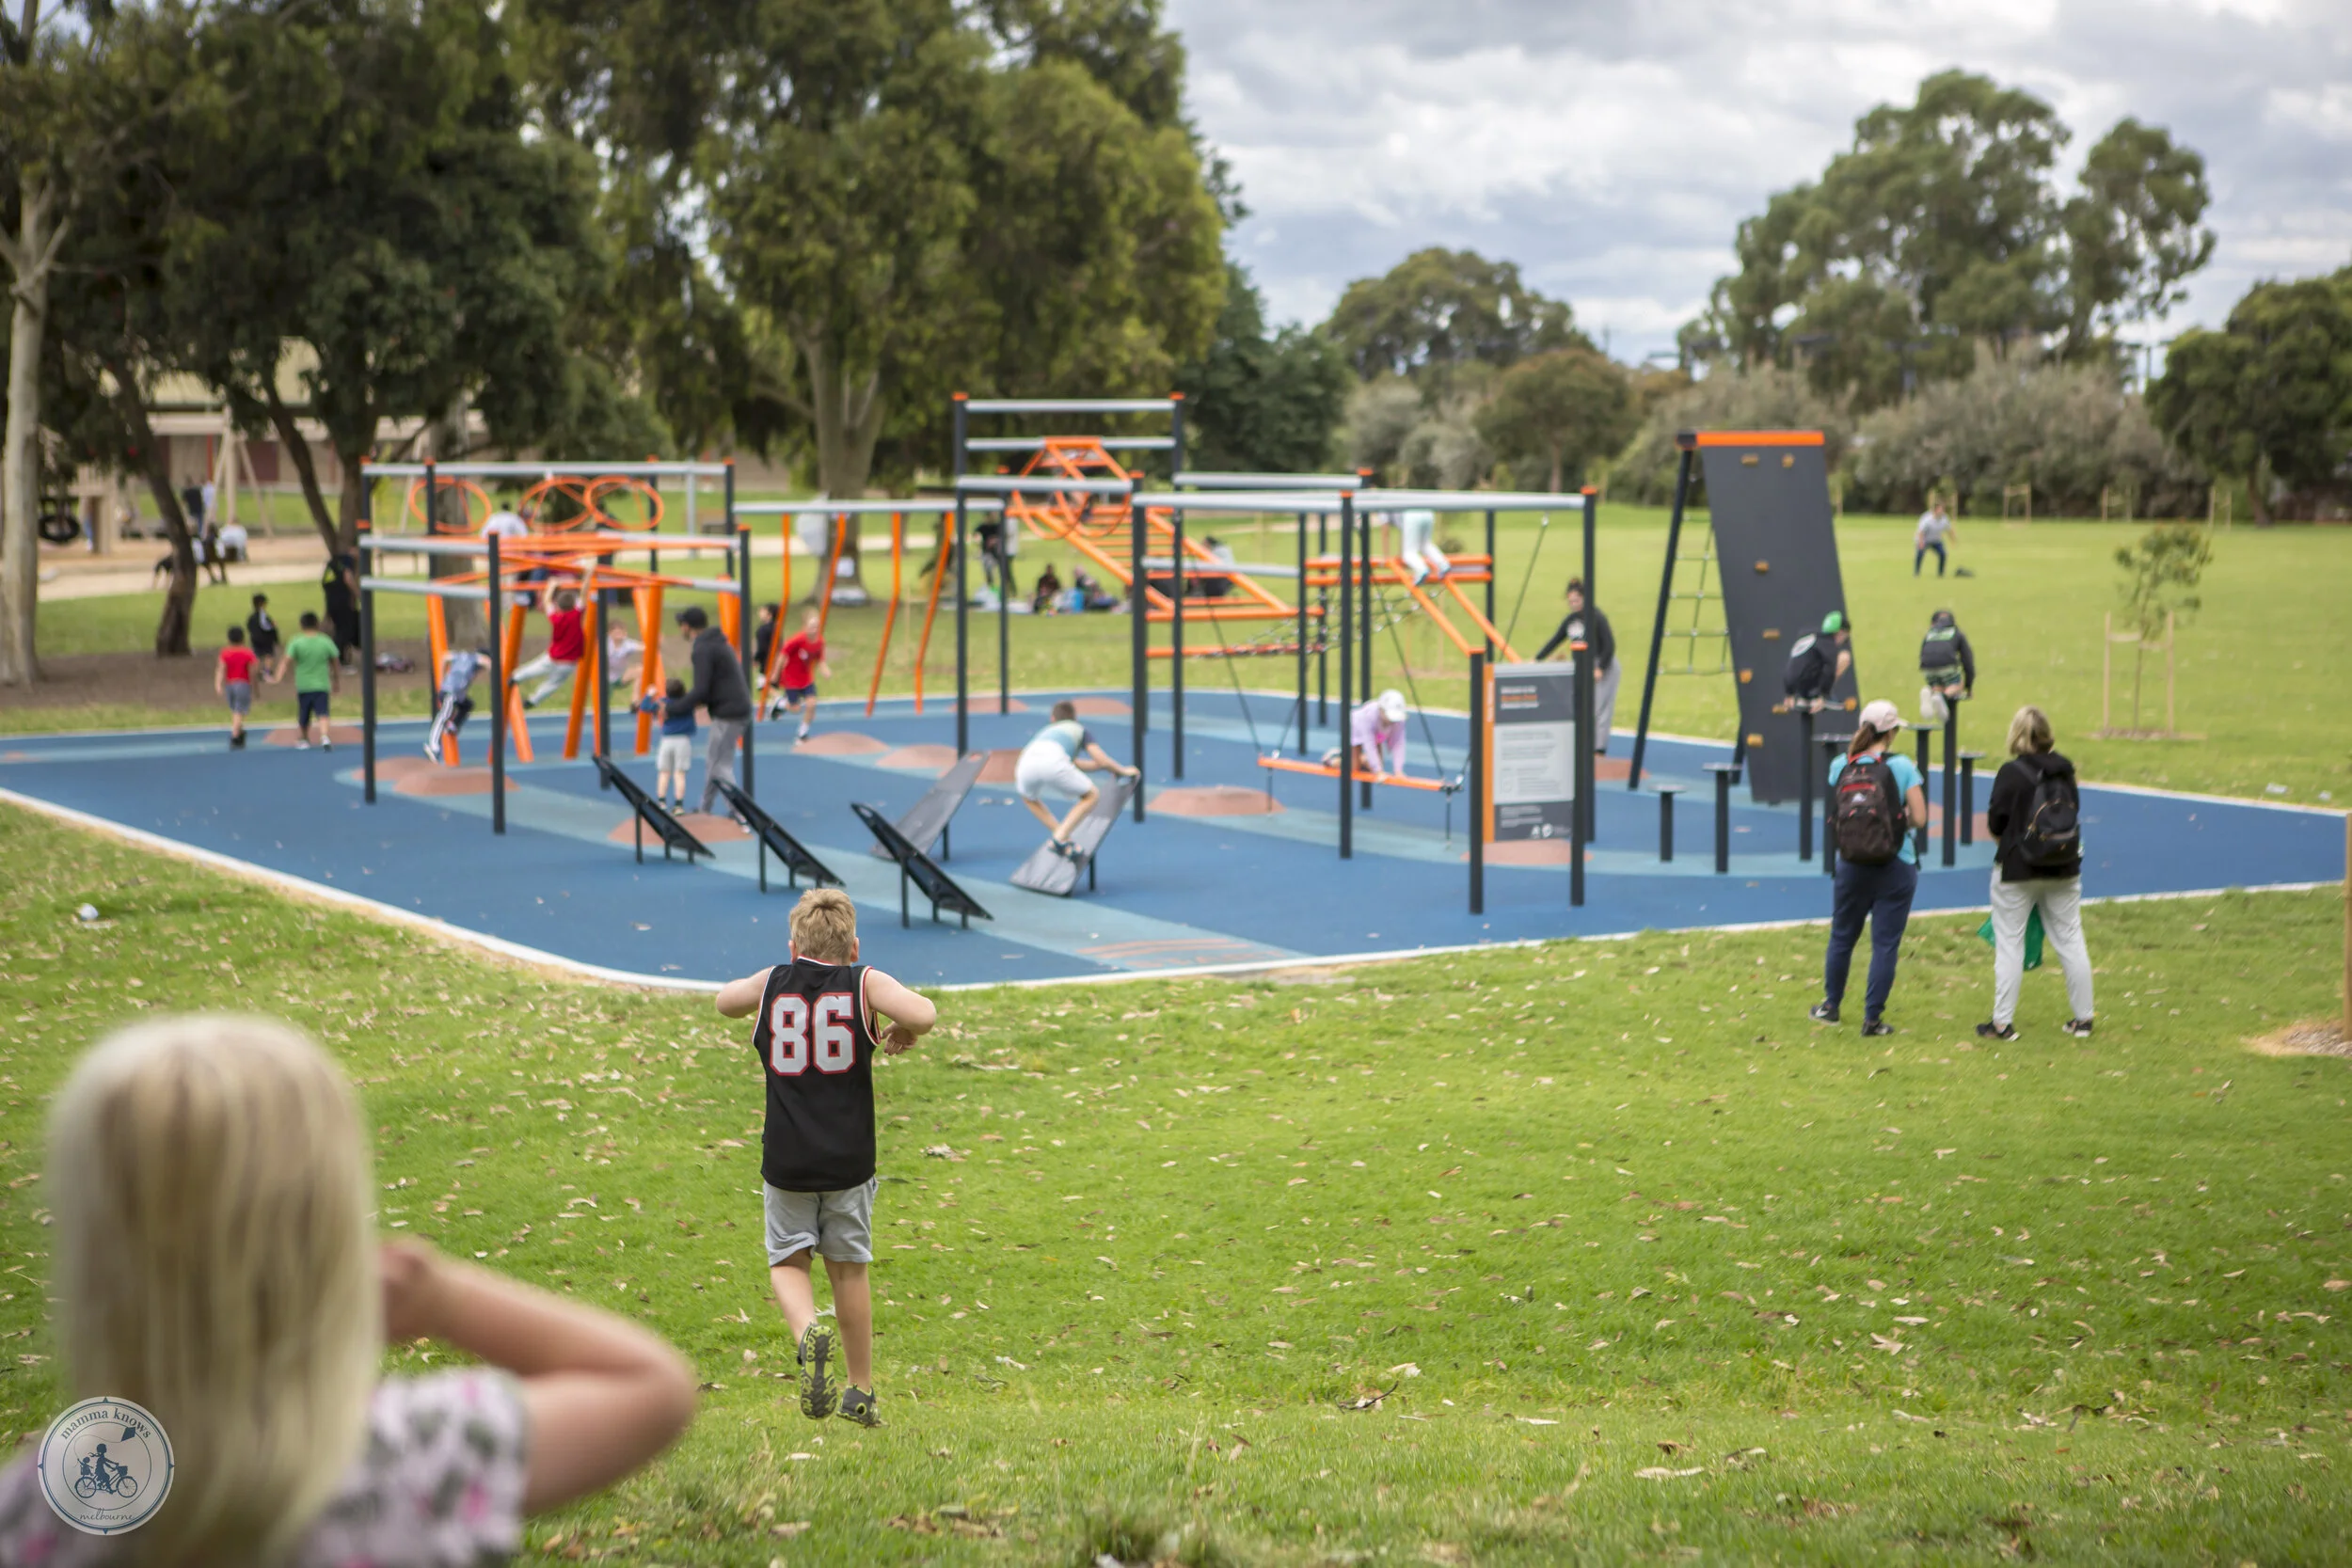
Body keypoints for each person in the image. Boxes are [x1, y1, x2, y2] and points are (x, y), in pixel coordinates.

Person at [0, 1015, 695, 1566]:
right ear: (330, 1241)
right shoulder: (414, 1455)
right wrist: (441, 1297)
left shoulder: (42, 1509)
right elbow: (653, 1384)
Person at [715, 890, 937, 1428]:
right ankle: (860, 1390)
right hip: (850, 1162)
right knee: (850, 1272)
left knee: (788, 1260)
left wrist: (770, 977)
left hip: (787, 1159)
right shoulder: (864, 983)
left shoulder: (773, 982)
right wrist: (904, 1027)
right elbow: (925, 1014)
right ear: (854, 945)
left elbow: (725, 1001)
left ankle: (806, 1332)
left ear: (793, 947)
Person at [1812, 698, 1930, 1037]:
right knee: (1885, 943)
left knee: (1842, 936)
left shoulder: (1841, 765)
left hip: (1851, 863)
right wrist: (1895, 820)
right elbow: (1919, 818)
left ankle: (1831, 1006)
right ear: (1891, 732)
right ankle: (1872, 1019)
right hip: (1896, 863)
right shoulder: (1903, 765)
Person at [1978, 705, 2095, 1041]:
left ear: (2016, 735)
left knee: (2010, 943)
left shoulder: (2011, 773)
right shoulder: (2065, 769)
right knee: (2071, 938)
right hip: (2064, 864)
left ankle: (2002, 1023)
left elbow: (1996, 822)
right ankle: (2083, 1018)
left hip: (2017, 868)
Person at [1014, 699, 1141, 852]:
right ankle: (1060, 837)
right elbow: (1100, 758)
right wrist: (1122, 771)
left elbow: (1075, 764)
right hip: (1053, 761)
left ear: (1053, 719)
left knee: (1030, 799)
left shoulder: (1047, 731)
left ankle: (1061, 834)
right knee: (1091, 795)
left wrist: (1104, 767)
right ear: (1075, 718)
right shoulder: (1079, 729)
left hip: (1024, 763)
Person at [675, 605, 754, 815]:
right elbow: (709, 688)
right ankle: (705, 808)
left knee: (720, 765)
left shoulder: (703, 649)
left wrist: (675, 707)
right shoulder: (717, 644)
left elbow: (701, 690)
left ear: (687, 626)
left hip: (729, 713)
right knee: (714, 762)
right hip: (734, 708)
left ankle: (739, 812)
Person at [1534, 578, 1620, 752]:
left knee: (1599, 709)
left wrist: (1600, 668)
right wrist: (1537, 658)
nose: (1573, 604)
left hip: (1603, 665)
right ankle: (1584, 746)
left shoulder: (1596, 617)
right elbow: (1556, 640)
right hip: (1583, 667)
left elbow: (1609, 645)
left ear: (1584, 598)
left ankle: (1598, 750)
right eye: (1571, 601)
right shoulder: (1571, 621)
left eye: (1576, 600)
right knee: (1581, 707)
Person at [276, 610, 342, 749]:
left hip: (304, 684)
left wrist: (279, 676)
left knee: (304, 712)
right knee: (323, 712)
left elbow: (286, 660)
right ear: (317, 624)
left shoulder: (296, 641)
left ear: (301, 625)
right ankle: (324, 736)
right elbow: (335, 659)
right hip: (322, 683)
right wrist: (336, 679)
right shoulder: (325, 641)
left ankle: (304, 738)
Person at [514, 590, 585, 708]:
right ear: (573, 604)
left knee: (534, 667)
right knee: (553, 684)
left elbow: (546, 601)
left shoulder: (555, 618)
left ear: (558, 605)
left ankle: (516, 677)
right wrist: (588, 574)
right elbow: (584, 593)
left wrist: (551, 586)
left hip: (554, 656)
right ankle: (533, 700)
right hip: (568, 662)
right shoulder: (576, 615)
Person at [770, 611, 832, 740]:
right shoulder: (797, 640)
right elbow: (782, 655)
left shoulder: (820, 642)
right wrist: (776, 673)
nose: (814, 630)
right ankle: (780, 703)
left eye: (816, 627)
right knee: (795, 709)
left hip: (806, 679)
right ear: (804, 627)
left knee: (811, 704)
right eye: (811, 627)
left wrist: (825, 670)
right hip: (792, 679)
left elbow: (820, 659)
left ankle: (802, 733)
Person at [639, 676, 696, 811]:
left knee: (664, 772)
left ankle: (661, 802)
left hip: (667, 740)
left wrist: (649, 695)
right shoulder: (687, 703)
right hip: (683, 740)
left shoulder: (662, 704)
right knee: (679, 773)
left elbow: (644, 707)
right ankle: (679, 805)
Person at [1326, 689, 1409, 779]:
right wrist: (1378, 771)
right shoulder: (1369, 716)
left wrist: (1398, 771)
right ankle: (1333, 760)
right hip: (1356, 728)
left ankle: (1362, 759)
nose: (1392, 721)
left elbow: (1398, 744)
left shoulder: (1399, 720)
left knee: (1373, 766)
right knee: (1354, 767)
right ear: (1381, 710)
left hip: (1377, 734)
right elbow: (1369, 744)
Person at [425, 643, 488, 762]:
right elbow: (485, 661)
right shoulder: (474, 659)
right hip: (450, 692)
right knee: (444, 715)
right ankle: (433, 745)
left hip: (456, 694)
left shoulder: (462, 656)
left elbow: (445, 657)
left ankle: (453, 727)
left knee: (467, 705)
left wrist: (443, 676)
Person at [1783, 610, 1854, 713]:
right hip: (1809, 687)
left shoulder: (1810, 636)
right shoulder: (1829, 645)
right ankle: (1818, 696)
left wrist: (1789, 693)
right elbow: (1829, 670)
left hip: (1793, 687)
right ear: (1840, 633)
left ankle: (1806, 696)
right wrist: (1823, 696)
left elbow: (1793, 666)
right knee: (1845, 657)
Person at [1918, 609, 1975, 722]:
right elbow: (1968, 661)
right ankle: (1942, 697)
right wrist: (1968, 686)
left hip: (1928, 667)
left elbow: (1923, 653)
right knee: (1956, 684)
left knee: (1938, 684)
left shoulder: (1930, 633)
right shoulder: (1956, 633)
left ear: (1933, 623)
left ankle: (1929, 692)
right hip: (1947, 665)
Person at [216, 625, 258, 750]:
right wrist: (255, 687)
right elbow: (253, 670)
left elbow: (221, 668)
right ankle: (235, 734)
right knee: (239, 710)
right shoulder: (247, 653)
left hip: (230, 684)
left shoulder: (225, 653)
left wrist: (218, 683)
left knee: (235, 709)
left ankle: (239, 731)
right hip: (243, 683)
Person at [321, 546, 361, 665]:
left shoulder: (334, 561)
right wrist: (359, 594)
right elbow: (348, 578)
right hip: (342, 602)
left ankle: (338, 659)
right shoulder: (347, 560)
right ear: (353, 549)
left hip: (331, 602)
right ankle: (340, 661)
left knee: (339, 630)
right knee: (344, 631)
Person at [1398, 506, 1448, 585]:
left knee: (1408, 553)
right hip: (1427, 512)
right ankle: (1442, 563)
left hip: (1412, 514)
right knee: (1425, 544)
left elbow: (1386, 532)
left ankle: (1421, 569)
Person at [1914, 499, 1956, 577]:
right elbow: (1921, 532)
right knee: (1920, 553)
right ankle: (1916, 572)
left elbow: (1949, 530)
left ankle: (1940, 573)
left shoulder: (1944, 519)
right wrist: (1921, 543)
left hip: (1936, 540)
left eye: (1943, 509)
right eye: (1940, 509)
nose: (1942, 511)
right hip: (1924, 540)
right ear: (1935, 510)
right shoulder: (1927, 519)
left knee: (1943, 554)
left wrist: (1953, 539)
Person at [246, 592, 282, 680]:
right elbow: (267, 627)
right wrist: (273, 627)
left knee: (257, 656)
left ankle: (256, 673)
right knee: (269, 655)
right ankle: (267, 673)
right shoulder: (263, 616)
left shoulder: (251, 617)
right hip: (266, 640)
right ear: (262, 603)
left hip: (255, 639)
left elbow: (249, 627)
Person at [752, 603, 782, 691]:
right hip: (776, 660)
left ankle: (779, 699)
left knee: (763, 685)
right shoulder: (777, 627)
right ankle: (777, 699)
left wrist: (756, 659)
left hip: (766, 661)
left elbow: (762, 647)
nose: (760, 612)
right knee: (767, 685)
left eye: (763, 611)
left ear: (769, 615)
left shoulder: (762, 630)